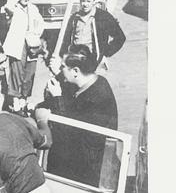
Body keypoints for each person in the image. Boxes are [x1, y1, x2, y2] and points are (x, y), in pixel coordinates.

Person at [41, 44, 118, 185]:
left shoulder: (97, 98)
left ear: (75, 71)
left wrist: (58, 97)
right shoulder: (91, 81)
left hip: (82, 172)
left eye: (63, 67)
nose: (60, 69)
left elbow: (68, 132)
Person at [56, 0, 126, 70]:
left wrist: (106, 52)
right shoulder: (74, 18)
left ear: (94, 1)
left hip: (93, 61)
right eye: (83, 1)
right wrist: (64, 56)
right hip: (75, 60)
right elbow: (66, 40)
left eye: (88, 1)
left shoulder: (103, 17)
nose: (85, 4)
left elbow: (120, 37)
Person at [3, 0, 44, 100]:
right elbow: (8, 5)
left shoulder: (33, 8)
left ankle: (24, 99)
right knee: (17, 73)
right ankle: (15, 100)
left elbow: (41, 24)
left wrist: (35, 35)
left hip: (31, 43)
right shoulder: (14, 8)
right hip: (18, 44)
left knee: (29, 74)